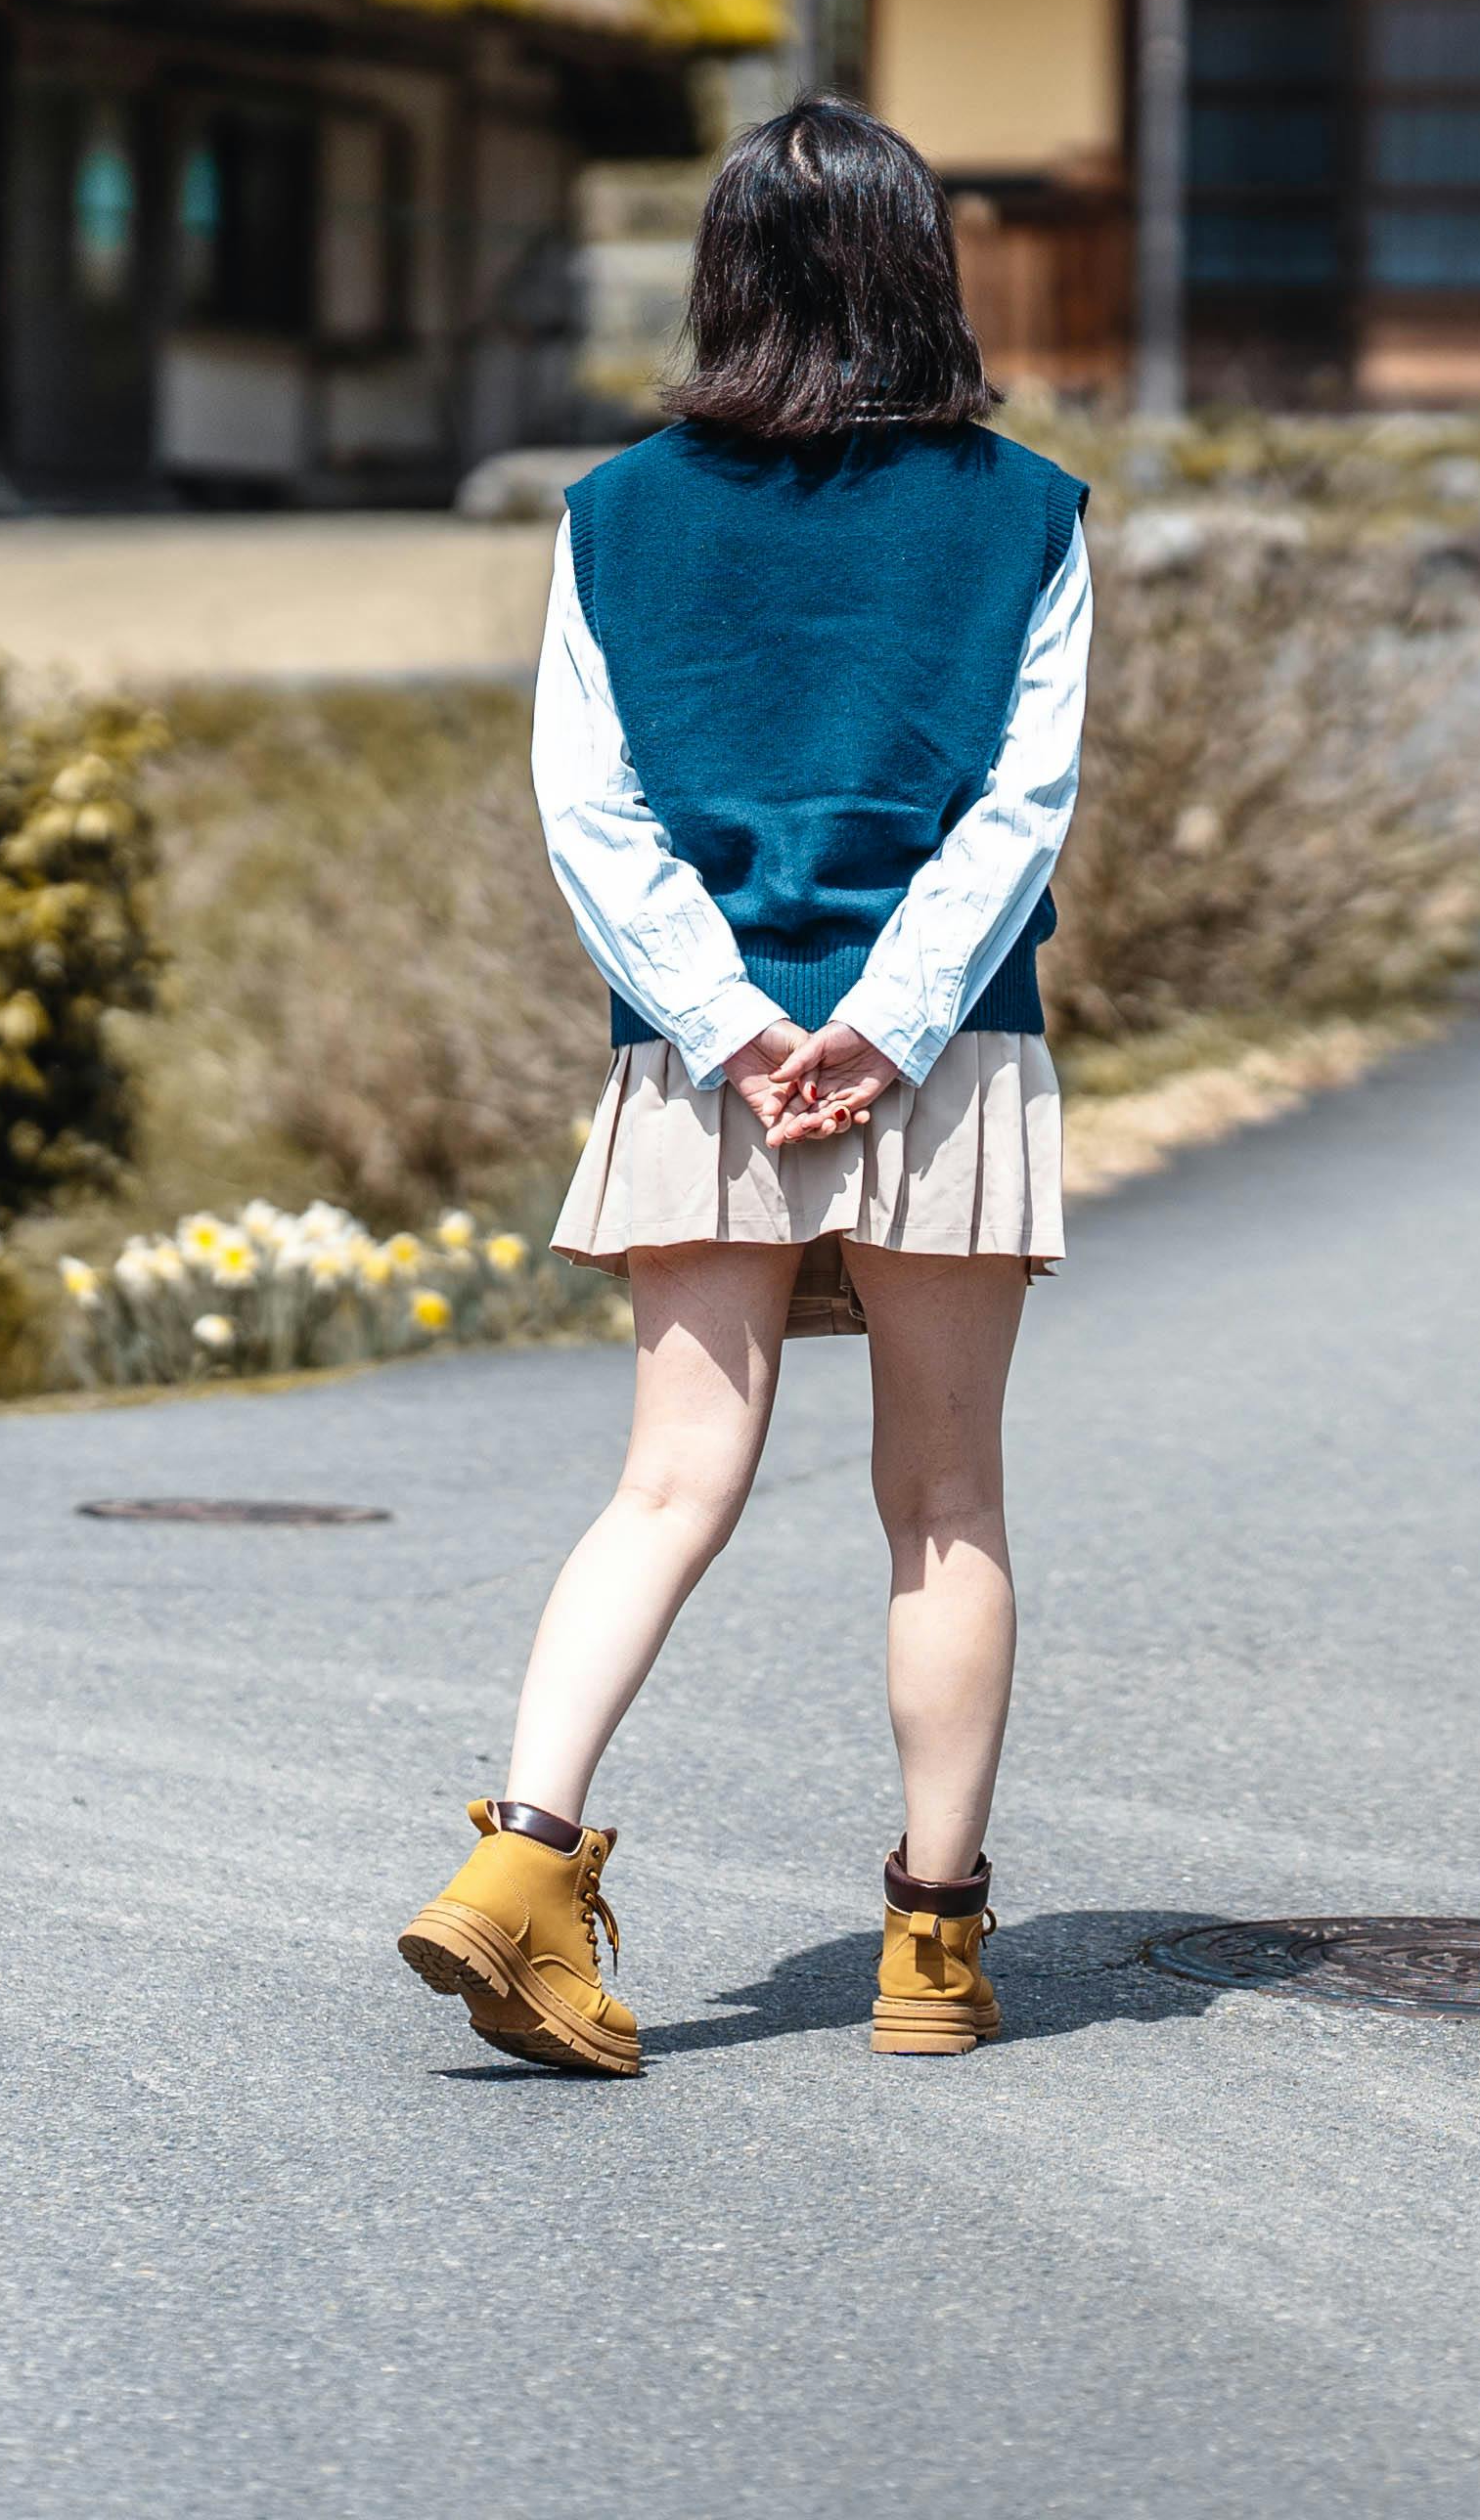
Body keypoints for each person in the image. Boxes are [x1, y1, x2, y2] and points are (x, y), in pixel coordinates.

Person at [394, 103, 1092, 2078]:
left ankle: (522, 1861)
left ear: (726, 274)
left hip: (704, 1066)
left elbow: (590, 809)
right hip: (949, 1054)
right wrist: (884, 1018)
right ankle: (931, 1953)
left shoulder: (613, 510)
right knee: (944, 1500)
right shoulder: (1026, 508)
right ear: (921, 266)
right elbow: (1020, 805)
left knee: (665, 1480)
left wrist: (729, 1020)